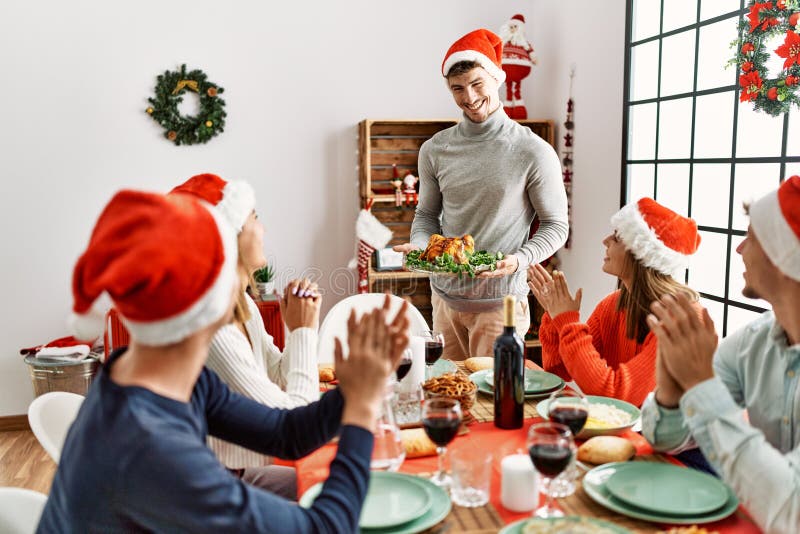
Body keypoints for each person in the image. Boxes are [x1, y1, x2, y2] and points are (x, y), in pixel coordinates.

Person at [37, 189, 409, 532]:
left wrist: (358, 384)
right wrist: (360, 409)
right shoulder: (153, 451)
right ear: (214, 299)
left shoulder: (143, 371)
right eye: (229, 266)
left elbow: (288, 434)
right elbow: (327, 528)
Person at [394, 28, 568, 360]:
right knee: (448, 396)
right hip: (444, 302)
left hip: (500, 307)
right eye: (457, 89)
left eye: (477, 84)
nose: (469, 97)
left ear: (496, 78)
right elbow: (427, 216)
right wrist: (420, 248)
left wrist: (519, 260)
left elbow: (556, 225)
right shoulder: (435, 149)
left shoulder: (532, 151)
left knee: (492, 407)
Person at [642, 176, 800, 533]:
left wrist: (699, 382)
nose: (739, 249)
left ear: (783, 255)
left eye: (752, 237)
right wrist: (670, 388)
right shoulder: (753, 342)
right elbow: (665, 438)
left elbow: (791, 513)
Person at [171, 173, 320, 498]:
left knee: (334, 485)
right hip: (205, 494)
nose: (263, 229)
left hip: (236, 472)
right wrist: (304, 332)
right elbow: (297, 428)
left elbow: (279, 379)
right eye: (255, 217)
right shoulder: (213, 326)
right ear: (229, 234)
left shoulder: (242, 303)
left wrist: (297, 326)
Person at [528, 198, 700, 406]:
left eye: (617, 237)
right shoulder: (613, 304)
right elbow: (559, 369)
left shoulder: (678, 320)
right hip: (618, 424)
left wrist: (566, 322)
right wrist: (554, 314)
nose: (606, 241)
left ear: (640, 254)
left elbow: (615, 392)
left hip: (665, 435)